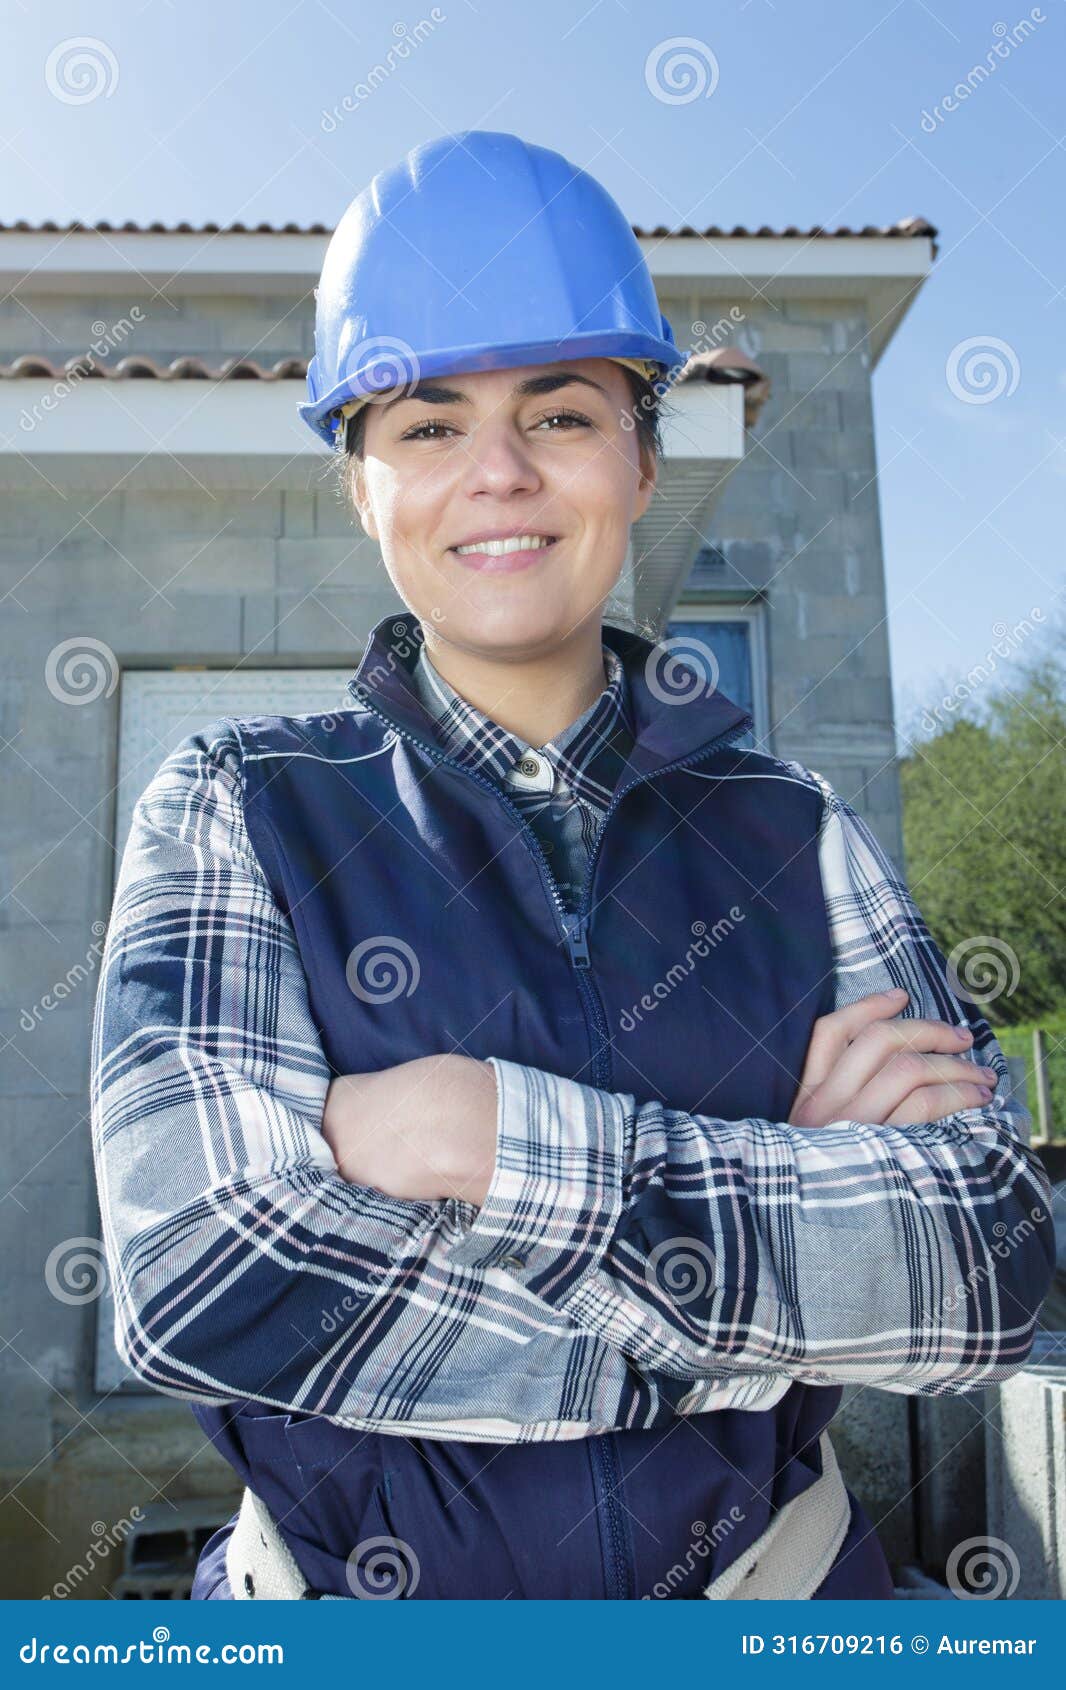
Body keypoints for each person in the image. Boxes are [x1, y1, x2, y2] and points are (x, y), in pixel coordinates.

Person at [90, 130, 1055, 1602]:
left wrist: (481, 1133)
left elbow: (982, 1266)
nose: (496, 473)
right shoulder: (238, 808)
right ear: (360, 485)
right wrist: (782, 1216)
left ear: (641, 456)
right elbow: (214, 1275)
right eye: (425, 426)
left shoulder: (795, 836)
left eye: (557, 413)